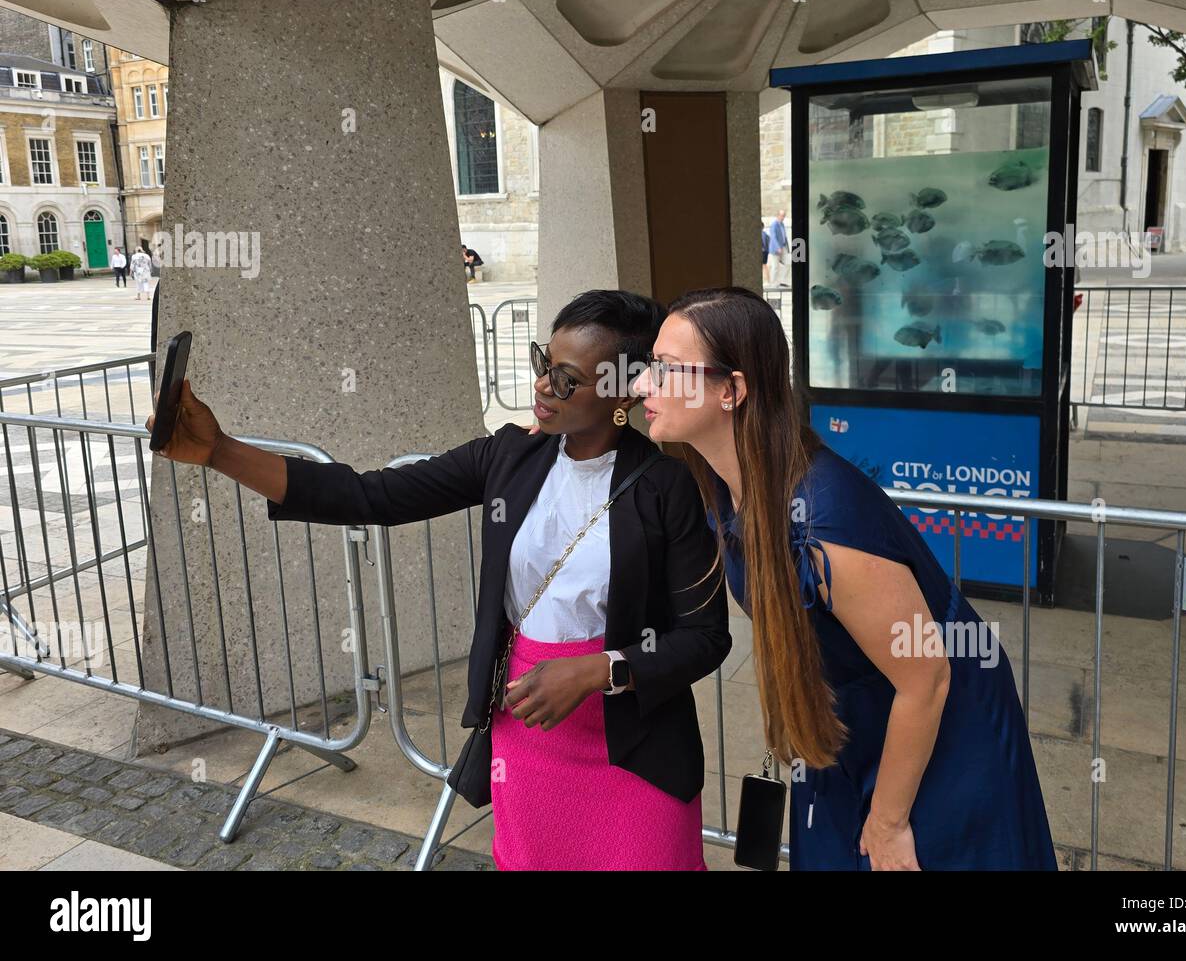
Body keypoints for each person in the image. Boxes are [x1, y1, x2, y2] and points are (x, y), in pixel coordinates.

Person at [145, 289, 730, 871]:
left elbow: (704, 637)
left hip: (636, 749)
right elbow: (369, 494)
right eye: (542, 365)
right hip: (527, 730)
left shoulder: (665, 488)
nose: (543, 387)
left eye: (567, 380)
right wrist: (219, 451)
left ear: (622, 391)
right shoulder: (509, 456)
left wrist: (597, 669)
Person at [632, 286, 1057, 871]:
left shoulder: (825, 522)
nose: (639, 386)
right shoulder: (728, 486)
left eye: (666, 370)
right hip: (847, 725)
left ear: (731, 390)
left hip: (936, 734)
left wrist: (888, 823)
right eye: (649, 366)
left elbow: (928, 676)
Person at [765, 209, 789, 286]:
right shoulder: (774, 225)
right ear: (778, 215)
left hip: (783, 247)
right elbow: (773, 237)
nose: (783, 217)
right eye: (782, 215)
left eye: (784, 216)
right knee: (775, 266)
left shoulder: (782, 224)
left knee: (787, 263)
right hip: (776, 249)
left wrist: (786, 246)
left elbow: (784, 236)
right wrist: (778, 247)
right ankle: (773, 282)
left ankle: (783, 281)